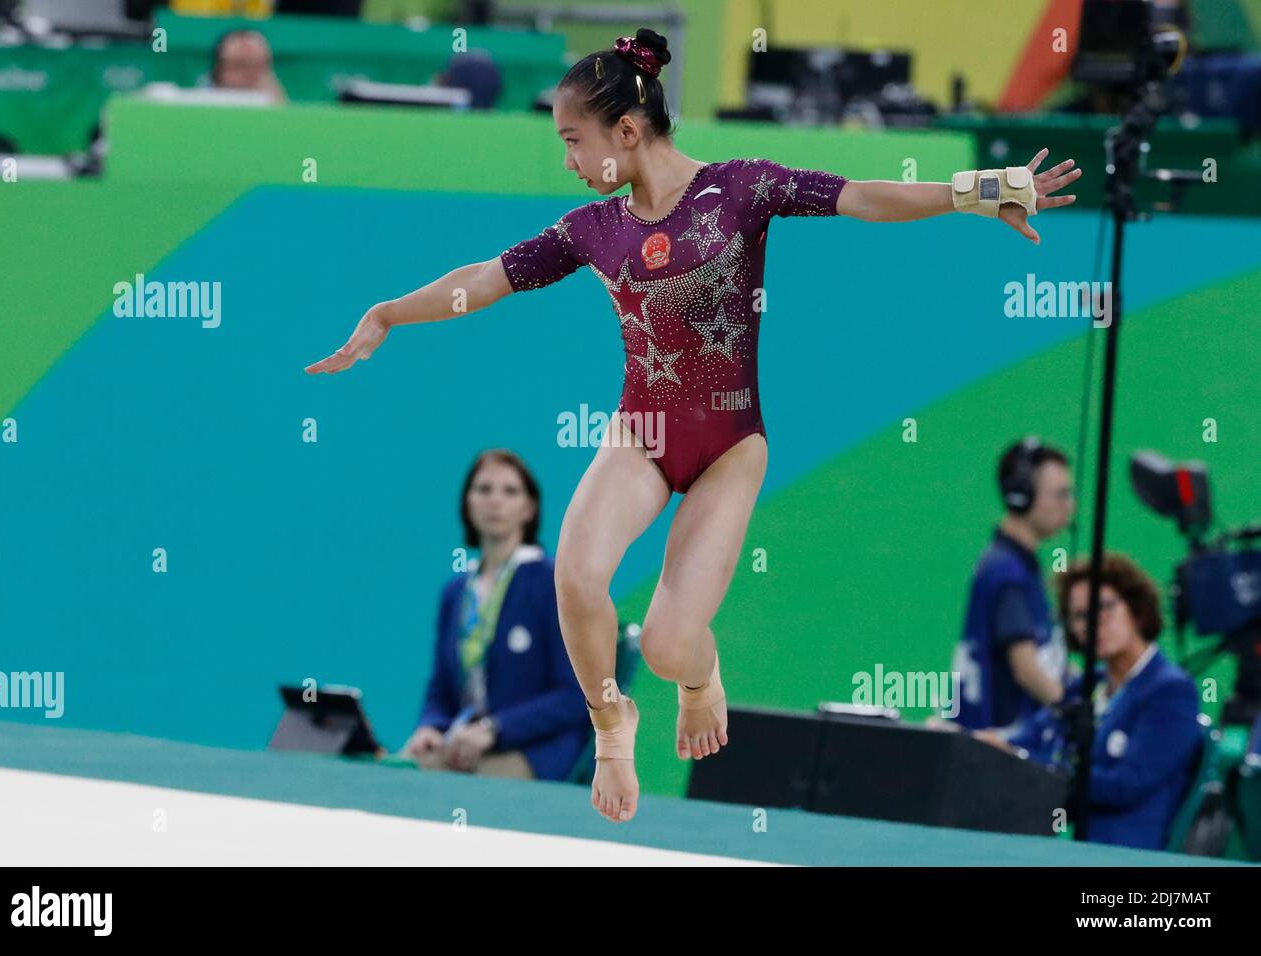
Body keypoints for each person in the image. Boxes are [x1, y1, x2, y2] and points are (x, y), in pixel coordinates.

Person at [306, 28, 1082, 822]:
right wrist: (388, 314)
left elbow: (865, 196)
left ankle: (700, 680)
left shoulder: (741, 190)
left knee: (673, 643)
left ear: (628, 132)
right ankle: (612, 724)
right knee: (577, 574)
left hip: (730, 447)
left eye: (575, 141)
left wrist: (982, 189)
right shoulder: (591, 230)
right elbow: (485, 279)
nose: (569, 161)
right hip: (640, 436)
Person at [978, 554, 1203, 850]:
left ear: (1136, 609)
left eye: (1104, 608)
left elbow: (1126, 785)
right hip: (1056, 843)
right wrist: (974, 741)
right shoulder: (1082, 687)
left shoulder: (1171, 691)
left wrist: (1041, 768)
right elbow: (1025, 740)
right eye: (1080, 616)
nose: (1093, 623)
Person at [402, 450, 589, 781]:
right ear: (467, 503)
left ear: (529, 509)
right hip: (464, 745)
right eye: (484, 489)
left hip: (538, 750)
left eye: (510, 491)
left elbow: (575, 694)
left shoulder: (553, 582)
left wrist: (495, 729)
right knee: (398, 774)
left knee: (443, 786)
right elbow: (439, 689)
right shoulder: (456, 591)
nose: (495, 501)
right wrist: (430, 726)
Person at [951, 438, 1073, 733]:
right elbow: (1027, 669)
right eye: (1061, 495)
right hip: (1001, 749)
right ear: (1022, 496)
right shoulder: (1009, 574)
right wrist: (1075, 715)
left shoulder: (1013, 563)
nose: (1070, 506)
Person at [210, 30, 286, 104]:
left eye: (258, 66)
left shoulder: (279, 105)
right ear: (218, 71)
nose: (251, 75)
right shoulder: (200, 102)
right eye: (240, 65)